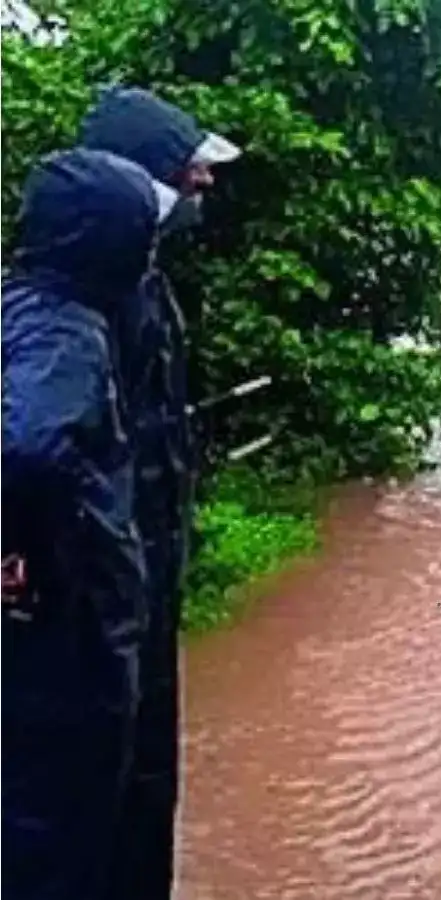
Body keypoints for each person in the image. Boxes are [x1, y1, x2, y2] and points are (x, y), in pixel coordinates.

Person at [78, 85, 242, 899]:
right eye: (189, 169)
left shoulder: (143, 280)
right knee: (86, 803)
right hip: (97, 601)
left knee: (144, 786)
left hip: (147, 586)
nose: (203, 184)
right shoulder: (83, 301)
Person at [3, 147, 180, 899]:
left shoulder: (20, 305)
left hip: (56, 635)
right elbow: (30, 445)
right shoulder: (69, 333)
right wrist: (27, 546)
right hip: (70, 638)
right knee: (62, 837)